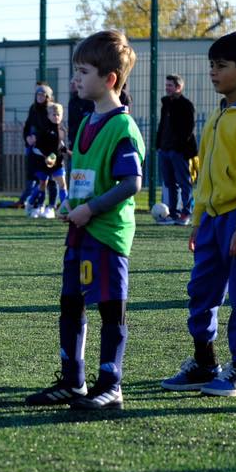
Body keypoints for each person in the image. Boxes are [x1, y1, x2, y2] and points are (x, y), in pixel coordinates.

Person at [25, 30, 145, 411]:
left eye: (82, 71)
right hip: (79, 232)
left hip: (107, 236)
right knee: (70, 303)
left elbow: (132, 183)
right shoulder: (85, 122)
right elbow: (85, 177)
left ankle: (111, 384)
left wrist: (91, 209)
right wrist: (71, 206)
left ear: (109, 79)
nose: (75, 80)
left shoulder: (122, 127)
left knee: (110, 307)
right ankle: (72, 381)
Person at [160, 31, 236, 398]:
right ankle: (204, 362)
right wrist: (198, 220)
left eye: (221, 66)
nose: (213, 72)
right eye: (211, 65)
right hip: (213, 218)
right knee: (201, 289)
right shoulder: (218, 114)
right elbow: (205, 175)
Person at [156, 73, 198, 225]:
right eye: (166, 85)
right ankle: (173, 213)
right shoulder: (166, 104)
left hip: (178, 151)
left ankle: (186, 213)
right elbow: (162, 125)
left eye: (170, 85)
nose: (167, 88)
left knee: (184, 182)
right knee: (169, 184)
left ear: (179, 87)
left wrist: (179, 147)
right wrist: (159, 145)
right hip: (165, 150)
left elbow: (189, 129)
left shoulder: (186, 105)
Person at [25, 102, 68, 219]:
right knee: (42, 185)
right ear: (48, 115)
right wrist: (46, 157)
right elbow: (36, 148)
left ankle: (66, 209)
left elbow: (61, 144)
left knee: (63, 185)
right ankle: (30, 202)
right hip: (43, 163)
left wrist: (68, 152)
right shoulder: (43, 129)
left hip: (58, 163)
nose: (56, 117)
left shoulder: (62, 129)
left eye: (58, 114)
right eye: (54, 114)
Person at [18, 84, 54, 206]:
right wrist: (27, 137)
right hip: (32, 148)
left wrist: (37, 138)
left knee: (48, 179)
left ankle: (50, 204)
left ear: (48, 96)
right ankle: (33, 202)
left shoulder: (50, 109)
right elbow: (27, 126)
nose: (40, 97)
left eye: (43, 94)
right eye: (38, 94)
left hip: (46, 149)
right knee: (33, 175)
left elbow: (50, 129)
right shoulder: (33, 109)